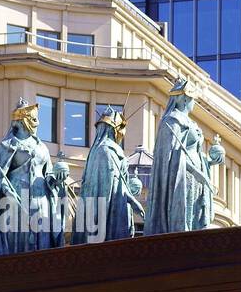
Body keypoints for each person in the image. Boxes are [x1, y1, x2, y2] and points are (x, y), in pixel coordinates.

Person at [0, 98, 69, 255]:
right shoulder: (7, 145)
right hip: (15, 202)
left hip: (41, 203)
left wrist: (58, 177)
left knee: (42, 245)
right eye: (33, 119)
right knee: (18, 245)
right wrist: (7, 191)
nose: (37, 123)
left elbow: (48, 175)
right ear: (23, 120)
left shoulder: (42, 147)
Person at [144, 78, 224, 235]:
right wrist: (197, 173)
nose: (193, 103)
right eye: (192, 99)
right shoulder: (172, 120)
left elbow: (194, 151)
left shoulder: (191, 122)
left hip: (196, 177)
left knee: (195, 215)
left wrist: (209, 162)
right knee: (184, 215)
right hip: (183, 178)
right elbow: (171, 156)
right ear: (185, 99)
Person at [74, 108, 143, 244]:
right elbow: (114, 185)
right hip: (110, 216)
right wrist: (133, 200)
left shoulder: (98, 151)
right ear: (114, 129)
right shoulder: (107, 151)